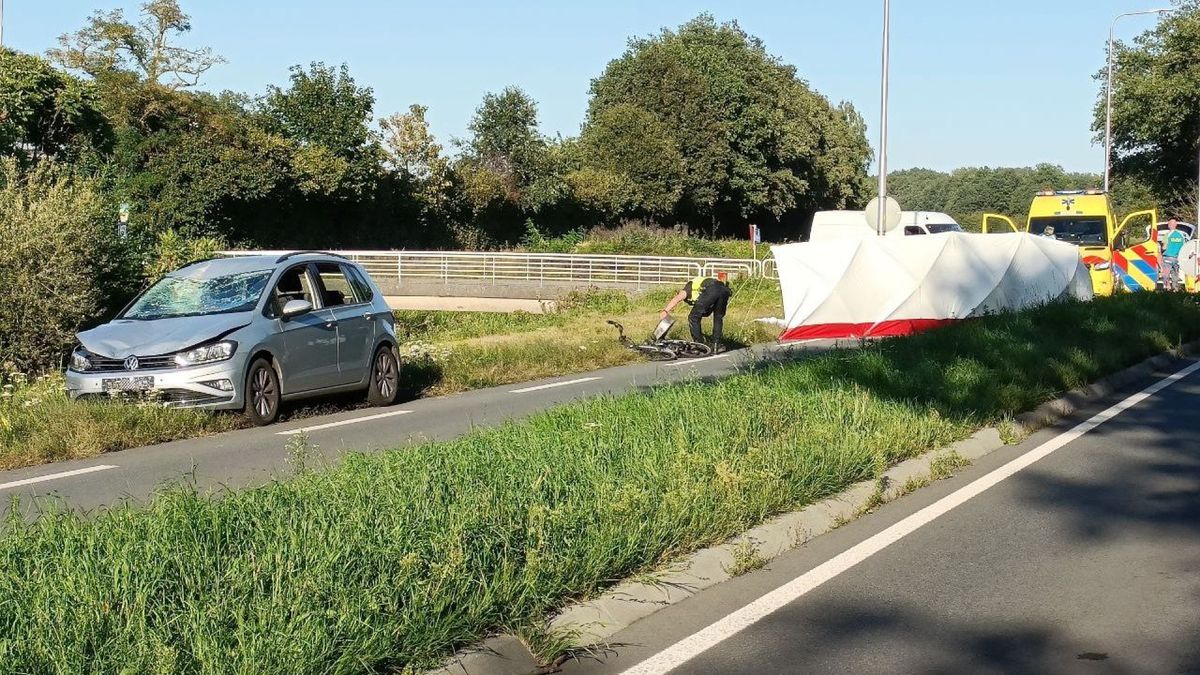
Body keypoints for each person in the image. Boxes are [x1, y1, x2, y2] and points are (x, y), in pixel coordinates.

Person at [661, 274, 733, 351]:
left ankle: (699, 345)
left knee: (693, 317)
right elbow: (706, 312)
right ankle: (716, 345)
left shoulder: (687, 288)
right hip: (724, 290)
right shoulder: (700, 290)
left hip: (712, 289)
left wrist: (665, 310)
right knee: (718, 318)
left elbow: (677, 298)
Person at [1161, 218, 1187, 292]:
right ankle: (1175, 289)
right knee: (1175, 274)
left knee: (1166, 274)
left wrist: (1161, 250)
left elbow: (1164, 247)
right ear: (1176, 225)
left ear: (1169, 226)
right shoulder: (1181, 235)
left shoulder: (1167, 235)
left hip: (1167, 257)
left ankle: (1167, 289)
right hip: (1176, 258)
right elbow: (1183, 247)